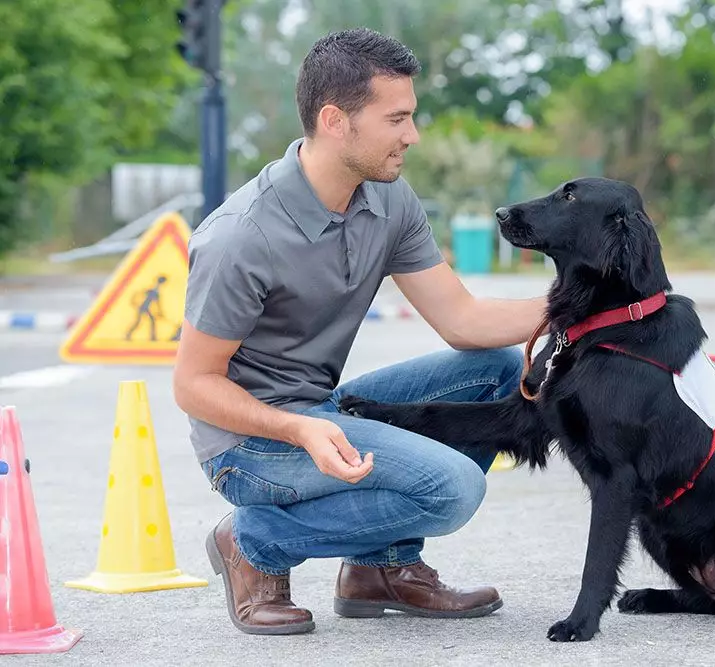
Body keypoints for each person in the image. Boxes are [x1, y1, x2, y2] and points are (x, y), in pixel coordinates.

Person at [172, 27, 546, 635]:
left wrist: (585, 305)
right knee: (453, 489)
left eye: (412, 116)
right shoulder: (241, 236)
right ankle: (252, 542)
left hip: (321, 409)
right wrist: (298, 427)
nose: (413, 136)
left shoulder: (388, 199)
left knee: (500, 372)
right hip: (246, 444)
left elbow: (463, 320)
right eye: (397, 118)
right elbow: (193, 385)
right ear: (335, 120)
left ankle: (381, 569)